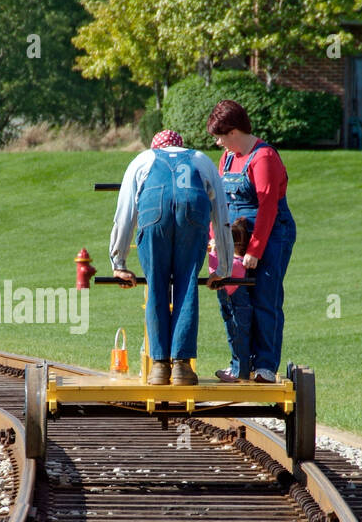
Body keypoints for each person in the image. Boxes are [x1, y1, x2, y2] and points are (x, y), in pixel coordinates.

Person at [110, 129, 234, 386]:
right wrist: (223, 266)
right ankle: (182, 367)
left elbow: (125, 213)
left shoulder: (143, 160)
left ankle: (158, 366)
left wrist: (119, 263)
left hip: (154, 216)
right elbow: (221, 213)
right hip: (193, 214)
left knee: (157, 285)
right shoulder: (200, 160)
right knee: (187, 285)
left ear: (157, 146)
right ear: (181, 146)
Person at [206, 100, 295, 383]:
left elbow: (268, 206)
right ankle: (239, 364)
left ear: (234, 131)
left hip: (271, 236)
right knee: (232, 296)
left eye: (220, 136)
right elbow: (219, 202)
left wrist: (255, 249)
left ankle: (265, 367)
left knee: (265, 298)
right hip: (234, 238)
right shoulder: (228, 159)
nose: (218, 142)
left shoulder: (264, 157)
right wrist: (214, 239)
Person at [210, 217, 253, 382]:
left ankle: (239, 371)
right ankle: (236, 367)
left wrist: (213, 252)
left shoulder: (235, 264)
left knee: (237, 334)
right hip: (230, 304)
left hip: (237, 306)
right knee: (233, 334)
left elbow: (214, 271)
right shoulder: (235, 261)